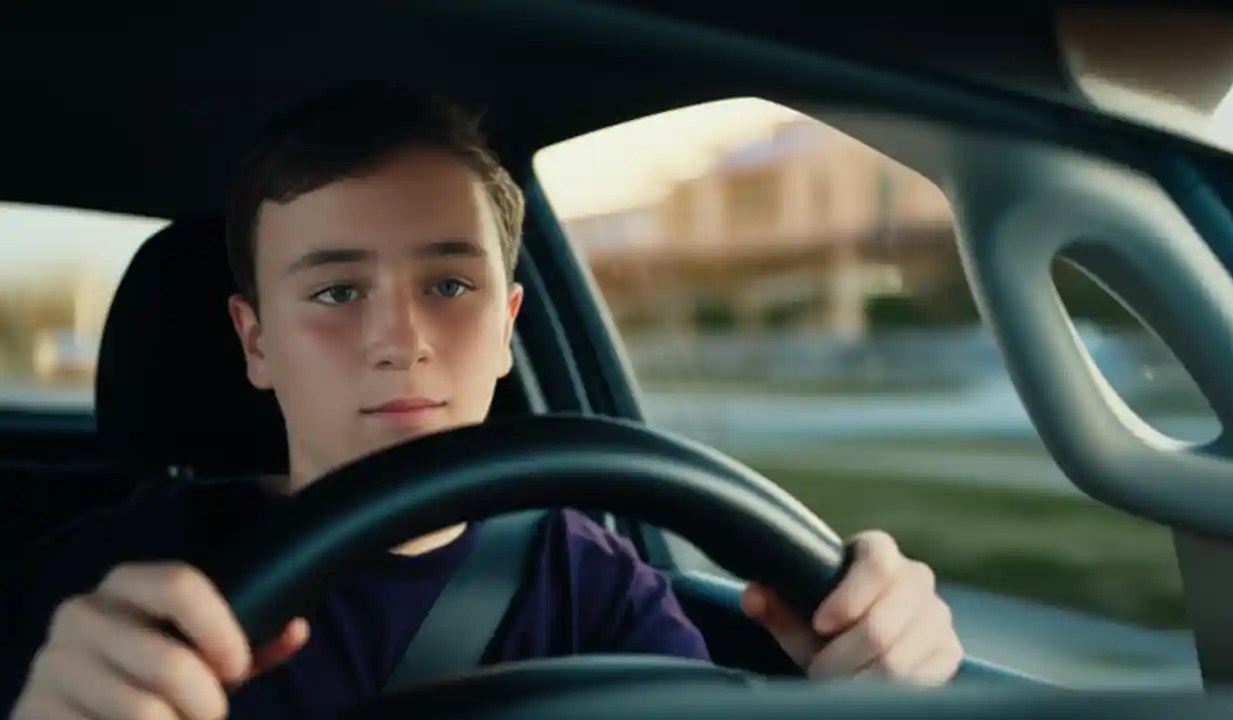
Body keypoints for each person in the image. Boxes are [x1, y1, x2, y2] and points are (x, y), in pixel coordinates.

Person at [6, 82, 963, 719]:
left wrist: (877, 684)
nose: (401, 340)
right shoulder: (115, 577)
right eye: (337, 293)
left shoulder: (594, 585)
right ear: (256, 342)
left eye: (450, 287)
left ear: (508, 327)